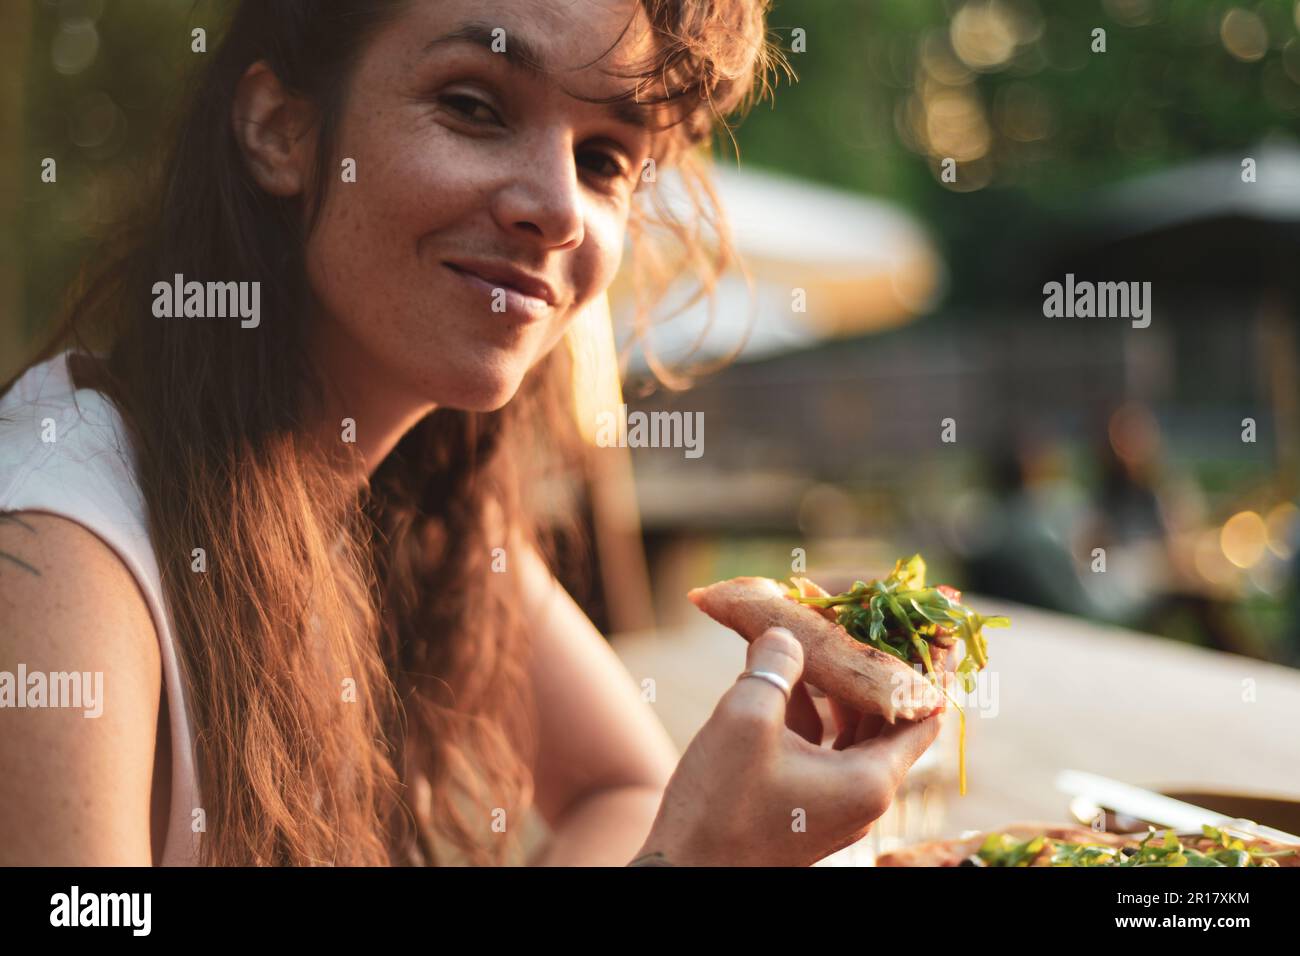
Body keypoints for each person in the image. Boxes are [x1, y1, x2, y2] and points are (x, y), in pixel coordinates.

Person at [0, 0, 941, 867]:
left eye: (606, 158)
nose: (561, 208)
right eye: (474, 105)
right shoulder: (58, 553)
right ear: (279, 129)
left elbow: (628, 784)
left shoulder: (414, 502)